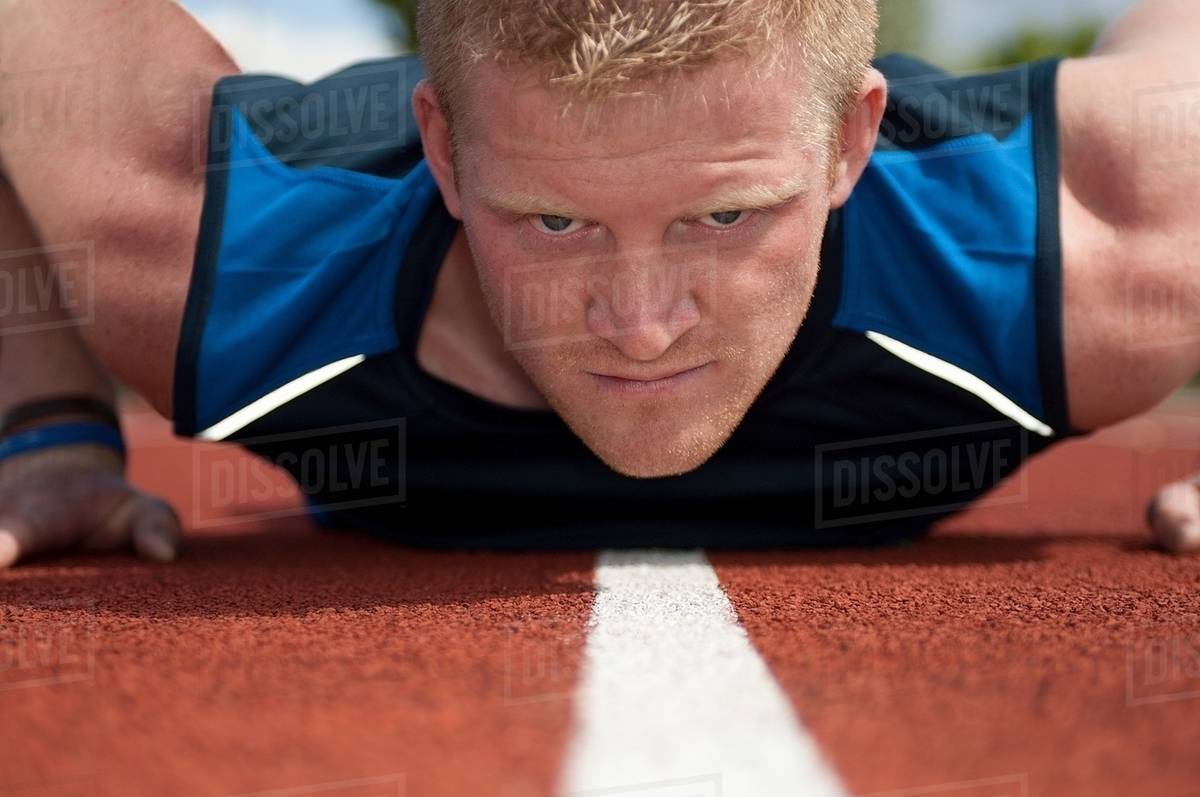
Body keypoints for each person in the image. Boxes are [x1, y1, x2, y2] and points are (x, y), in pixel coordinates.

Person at [0, 0, 1197, 565]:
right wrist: (44, 430)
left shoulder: (1091, 253)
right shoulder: (209, 255)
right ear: (446, 152)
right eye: (556, 219)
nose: (641, 325)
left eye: (725, 213)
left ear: (848, 143)